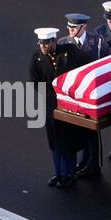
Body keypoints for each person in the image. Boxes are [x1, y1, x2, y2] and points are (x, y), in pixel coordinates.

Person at [30, 27, 82, 188]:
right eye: (41, 43)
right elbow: (35, 81)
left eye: (46, 43)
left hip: (68, 104)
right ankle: (59, 173)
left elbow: (83, 67)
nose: (43, 47)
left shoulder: (69, 51)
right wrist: (52, 94)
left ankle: (69, 174)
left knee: (68, 140)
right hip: (51, 105)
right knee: (54, 141)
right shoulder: (37, 57)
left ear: (54, 41)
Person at [59, 13, 109, 177]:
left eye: (74, 27)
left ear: (84, 27)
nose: (70, 30)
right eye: (69, 27)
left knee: (92, 132)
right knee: (79, 130)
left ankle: (93, 164)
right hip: (73, 96)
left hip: (91, 95)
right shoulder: (63, 43)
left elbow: (109, 60)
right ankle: (84, 159)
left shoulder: (97, 41)